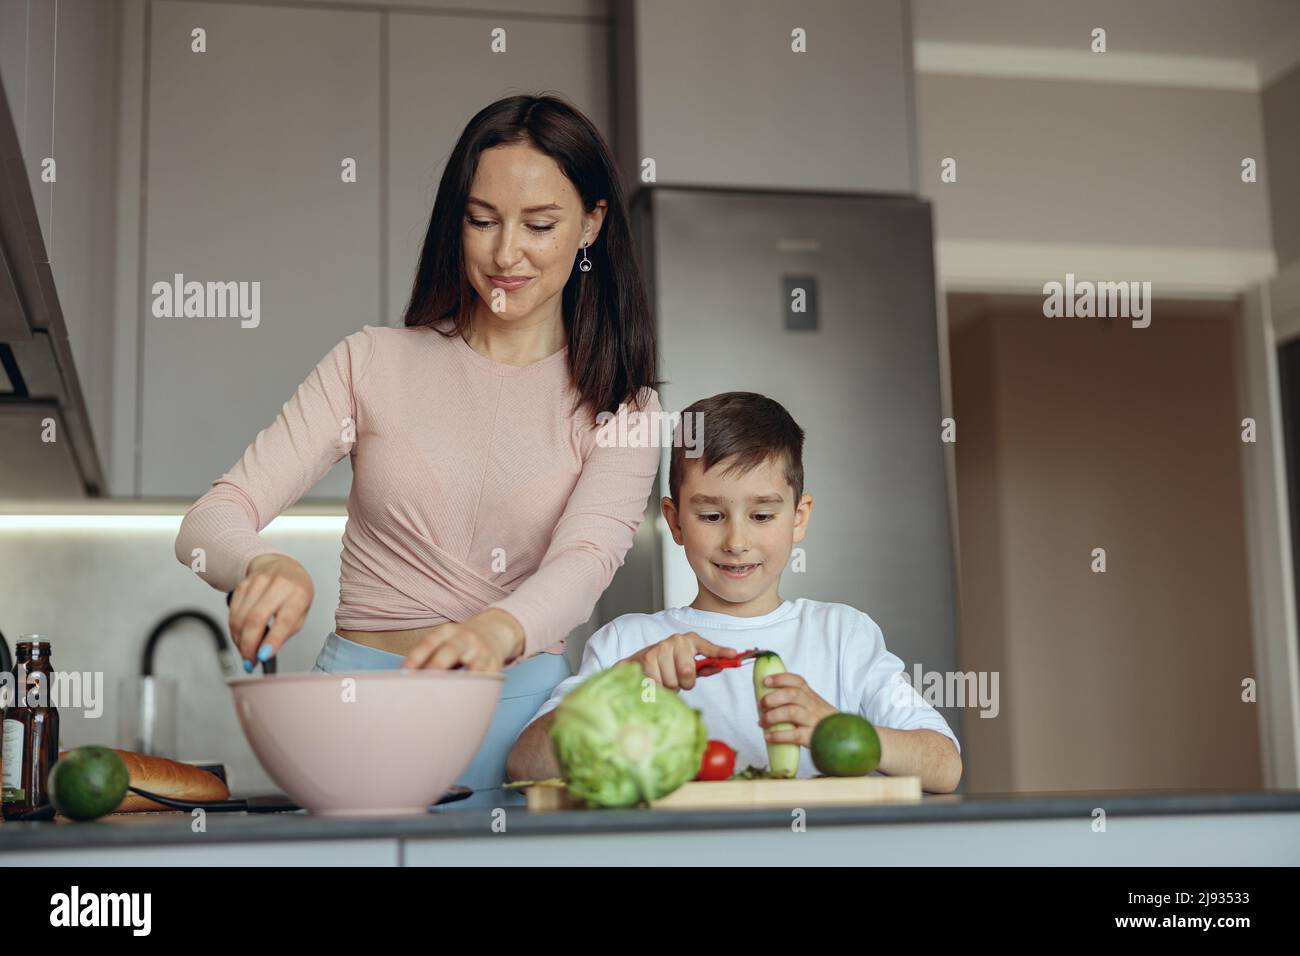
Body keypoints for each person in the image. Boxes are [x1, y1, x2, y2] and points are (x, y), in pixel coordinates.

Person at [174, 94, 661, 805]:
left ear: (591, 224)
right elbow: (209, 520)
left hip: (524, 722)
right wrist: (260, 564)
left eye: (540, 224)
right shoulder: (371, 362)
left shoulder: (625, 405)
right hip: (356, 709)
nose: (504, 254)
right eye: (482, 220)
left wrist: (497, 631)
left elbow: (585, 562)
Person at [508, 392, 963, 793]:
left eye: (762, 516)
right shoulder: (627, 644)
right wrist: (621, 686)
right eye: (711, 516)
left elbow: (944, 765)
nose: (737, 542)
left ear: (799, 517)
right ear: (675, 521)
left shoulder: (844, 635)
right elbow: (524, 765)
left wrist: (835, 727)